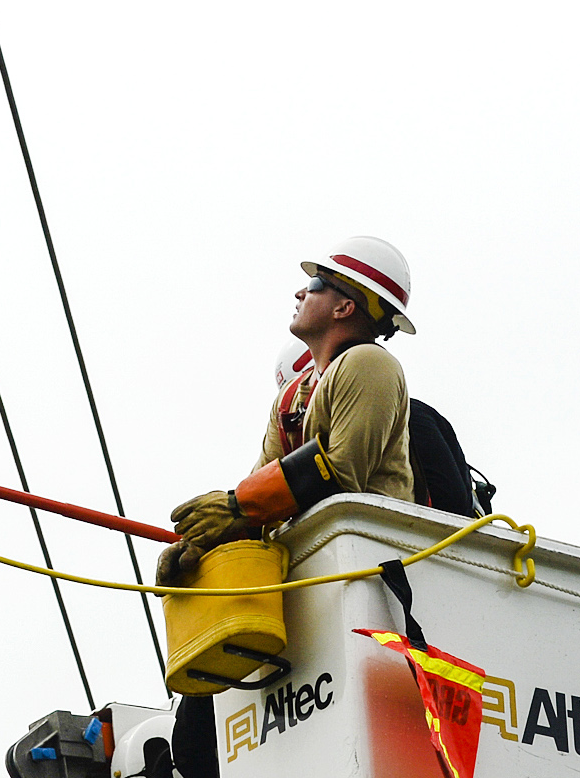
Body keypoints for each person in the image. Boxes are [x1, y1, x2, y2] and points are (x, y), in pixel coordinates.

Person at [165, 237, 416, 577]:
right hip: (315, 571)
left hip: (372, 566)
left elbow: (342, 476)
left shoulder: (369, 363)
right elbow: (257, 500)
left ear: (343, 308)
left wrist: (236, 507)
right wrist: (207, 544)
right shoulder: (291, 398)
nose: (300, 294)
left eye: (315, 285)